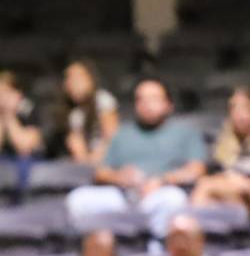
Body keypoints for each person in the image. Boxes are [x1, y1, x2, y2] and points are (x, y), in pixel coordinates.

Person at [66, 78, 208, 241]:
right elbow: (101, 173)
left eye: (154, 98)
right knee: (78, 199)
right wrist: (119, 177)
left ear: (169, 105)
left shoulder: (186, 133)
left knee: (174, 199)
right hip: (123, 195)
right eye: (141, 99)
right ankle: (103, 248)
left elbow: (197, 170)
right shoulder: (121, 135)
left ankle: (157, 249)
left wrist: (162, 180)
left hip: (161, 192)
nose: (147, 104)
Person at [191, 87, 250, 217]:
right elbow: (212, 175)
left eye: (245, 108)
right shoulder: (221, 145)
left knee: (208, 187)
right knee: (205, 186)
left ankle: (191, 221)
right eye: (234, 108)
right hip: (225, 195)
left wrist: (243, 182)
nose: (239, 114)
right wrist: (229, 181)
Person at [51, 59, 120, 166]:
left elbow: (112, 139)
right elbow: (77, 148)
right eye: (68, 78)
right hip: (85, 164)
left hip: (108, 161)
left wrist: (92, 160)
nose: (72, 83)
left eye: (78, 77)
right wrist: (85, 161)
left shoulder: (103, 99)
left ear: (90, 79)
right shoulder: (73, 113)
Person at [0, 71, 42, 161]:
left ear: (18, 94)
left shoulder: (28, 109)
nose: (0, 97)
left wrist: (10, 116)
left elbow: (25, 148)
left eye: (5, 92)